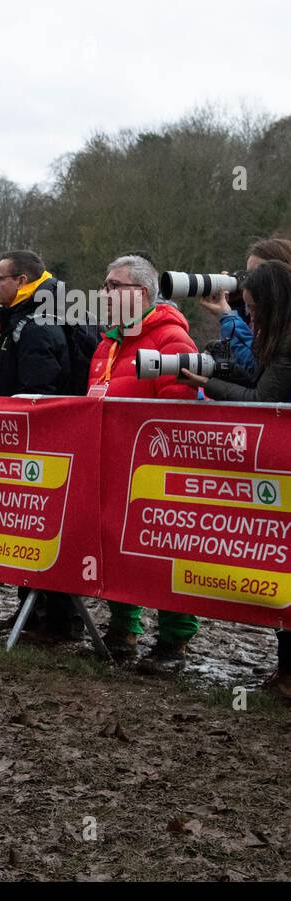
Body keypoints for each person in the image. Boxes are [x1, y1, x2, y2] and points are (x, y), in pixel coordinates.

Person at [179, 258, 291, 702]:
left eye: (254, 310)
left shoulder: (286, 342)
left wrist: (209, 381)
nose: (251, 318)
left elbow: (265, 398)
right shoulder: (276, 334)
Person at [90, 254, 199, 669]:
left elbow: (180, 410)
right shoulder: (107, 342)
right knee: (116, 548)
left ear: (141, 293)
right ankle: (123, 630)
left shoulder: (172, 341)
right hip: (111, 466)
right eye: (104, 285)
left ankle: (174, 642)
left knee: (165, 553)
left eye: (113, 286)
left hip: (156, 473)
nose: (104, 293)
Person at [0, 250, 80, 641]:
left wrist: (17, 431)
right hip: (29, 444)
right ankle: (30, 609)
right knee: (27, 528)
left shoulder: (39, 322)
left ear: (22, 280)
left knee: (44, 526)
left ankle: (55, 621)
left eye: (0, 278)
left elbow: (41, 394)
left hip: (41, 445)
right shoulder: (28, 314)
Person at [196, 237, 291, 375]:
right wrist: (236, 305)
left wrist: (228, 318)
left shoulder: (283, 326)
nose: (251, 280)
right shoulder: (254, 317)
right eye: (248, 274)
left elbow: (255, 369)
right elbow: (241, 364)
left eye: (258, 273)